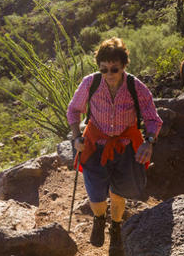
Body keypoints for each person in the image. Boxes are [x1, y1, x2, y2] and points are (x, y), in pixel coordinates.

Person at [67, 37, 163, 256]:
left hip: (125, 147)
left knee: (118, 192)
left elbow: (152, 119)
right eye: (104, 69)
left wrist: (149, 142)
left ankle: (116, 228)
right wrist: (76, 137)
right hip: (94, 145)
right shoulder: (90, 83)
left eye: (114, 69)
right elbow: (74, 110)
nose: (109, 74)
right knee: (95, 194)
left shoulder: (135, 87)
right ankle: (99, 219)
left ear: (123, 66)